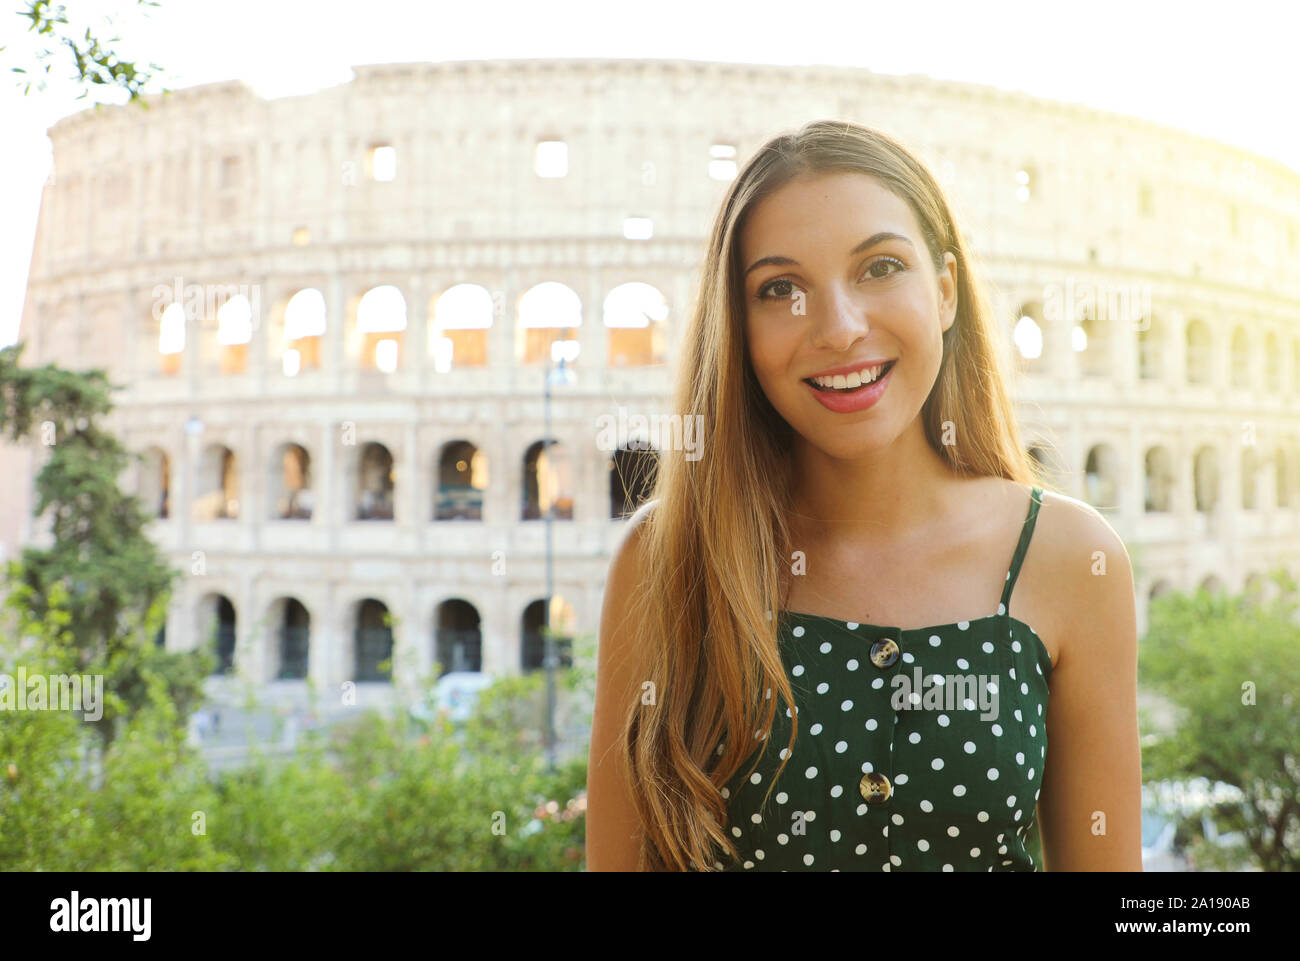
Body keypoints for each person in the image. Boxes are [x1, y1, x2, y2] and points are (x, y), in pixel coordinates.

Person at [586, 119, 1141, 872]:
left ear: (945, 291)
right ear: (739, 328)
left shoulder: (1070, 558)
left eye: (879, 268)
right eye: (780, 288)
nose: (840, 329)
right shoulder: (665, 557)